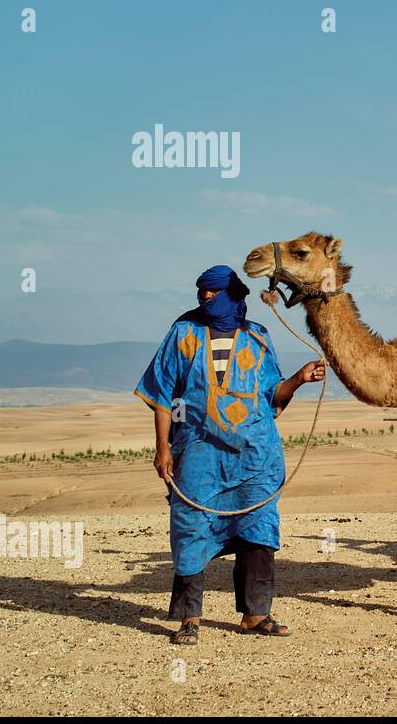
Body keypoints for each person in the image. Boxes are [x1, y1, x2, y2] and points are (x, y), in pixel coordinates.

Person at [134, 265, 326, 645]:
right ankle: (190, 618)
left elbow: (272, 395)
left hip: (254, 456)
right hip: (198, 454)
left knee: (258, 531)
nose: (206, 297)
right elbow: (161, 394)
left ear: (234, 295)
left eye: (214, 292)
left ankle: (256, 615)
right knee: (190, 528)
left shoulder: (258, 336)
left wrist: (299, 379)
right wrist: (162, 447)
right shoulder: (183, 334)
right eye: (202, 292)